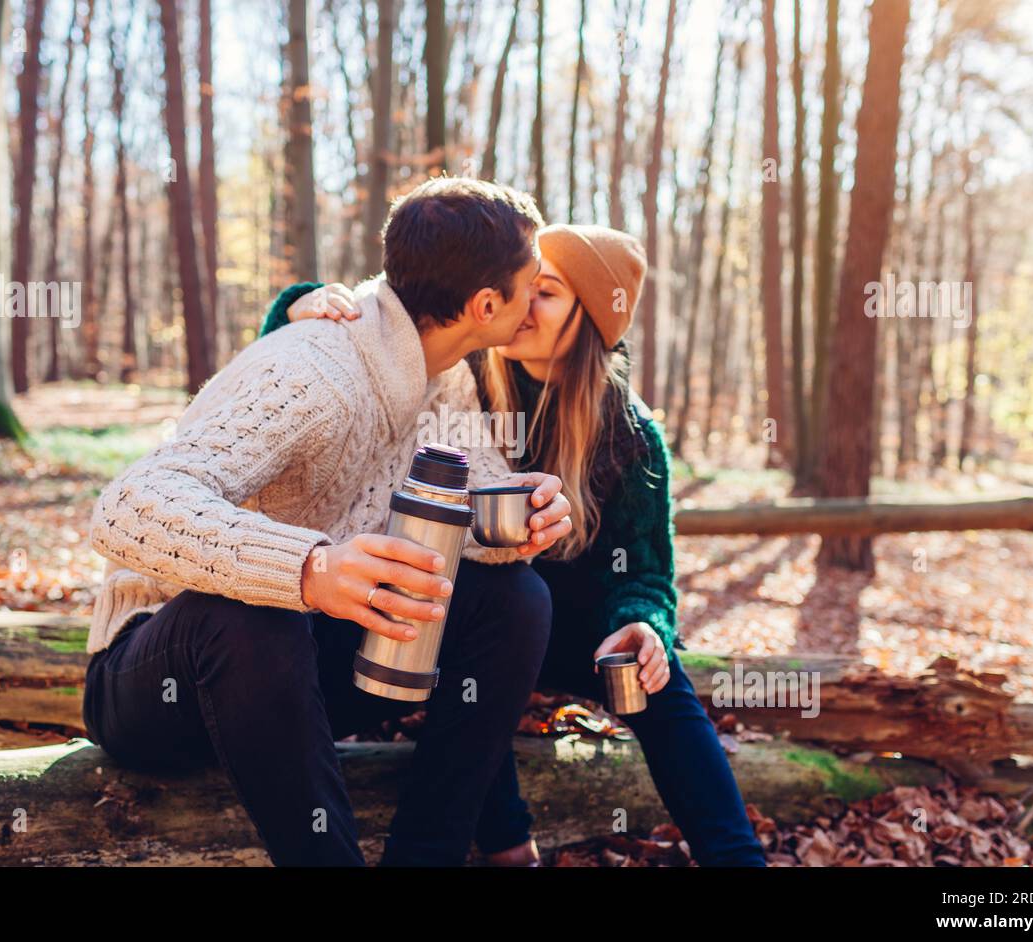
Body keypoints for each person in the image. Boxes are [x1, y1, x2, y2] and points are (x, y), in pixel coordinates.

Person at [80, 177, 574, 867]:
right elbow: (126, 509)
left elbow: (465, 508)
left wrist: (515, 518)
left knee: (517, 601)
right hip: (159, 685)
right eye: (532, 284)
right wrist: (309, 570)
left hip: (296, 678)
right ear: (485, 304)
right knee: (254, 612)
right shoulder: (311, 370)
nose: (537, 300)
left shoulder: (451, 377)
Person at [261, 223, 767, 867]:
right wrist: (298, 304)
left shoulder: (628, 432)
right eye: (526, 285)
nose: (522, 304)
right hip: (477, 615)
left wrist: (642, 625)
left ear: (589, 318)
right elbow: (353, 348)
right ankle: (506, 843)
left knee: (660, 685)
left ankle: (738, 857)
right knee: (484, 626)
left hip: (580, 634)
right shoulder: (465, 374)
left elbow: (645, 574)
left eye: (547, 292)